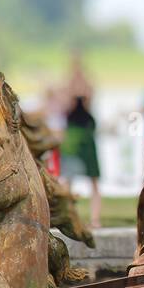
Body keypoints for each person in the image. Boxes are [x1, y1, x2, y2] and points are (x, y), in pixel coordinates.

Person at [61, 95, 101, 229]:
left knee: (67, 185)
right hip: (88, 154)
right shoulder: (90, 121)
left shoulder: (69, 120)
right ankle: (95, 220)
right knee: (94, 186)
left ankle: (67, 219)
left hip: (73, 153)